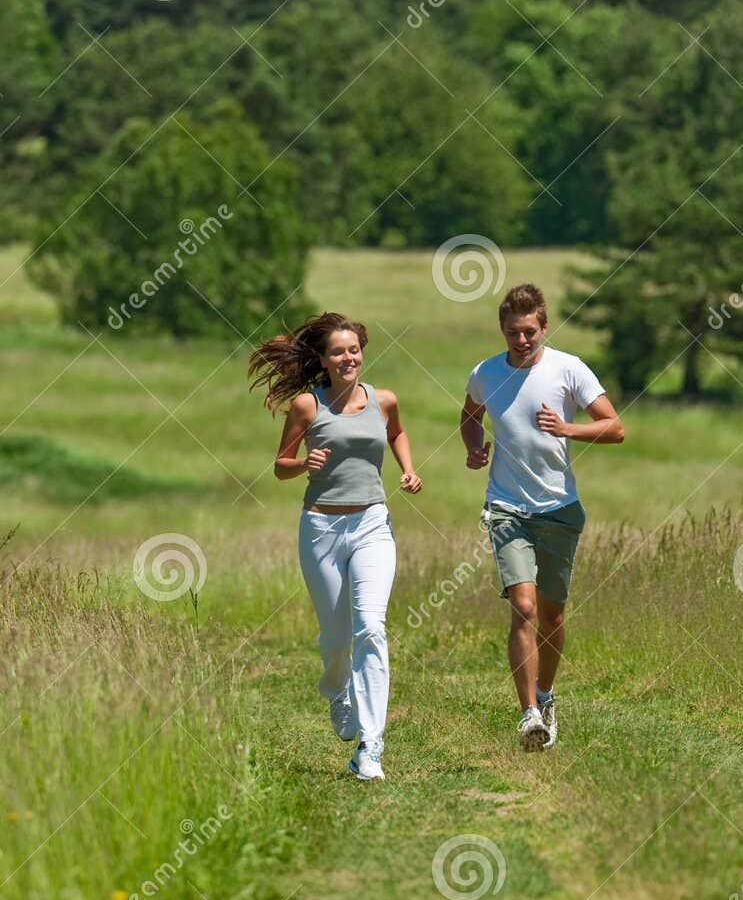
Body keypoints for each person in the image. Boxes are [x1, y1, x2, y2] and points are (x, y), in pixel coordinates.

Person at [249, 312, 422, 781]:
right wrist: (305, 461)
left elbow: (397, 432)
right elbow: (280, 466)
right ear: (323, 361)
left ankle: (371, 745)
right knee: (335, 637)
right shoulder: (308, 406)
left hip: (372, 523)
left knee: (370, 627)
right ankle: (338, 692)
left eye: (354, 350)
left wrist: (407, 467)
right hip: (322, 528)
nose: (349, 359)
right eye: (338, 352)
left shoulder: (383, 400)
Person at [461, 283, 624, 751]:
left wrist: (566, 427)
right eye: (513, 332)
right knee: (525, 608)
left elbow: (615, 427)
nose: (522, 340)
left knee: (552, 615)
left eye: (530, 331)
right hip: (506, 507)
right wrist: (475, 448)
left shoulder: (568, 369)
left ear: (544, 327)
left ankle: (547, 695)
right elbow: (469, 415)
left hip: (559, 508)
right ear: (503, 330)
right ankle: (529, 713)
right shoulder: (485, 372)